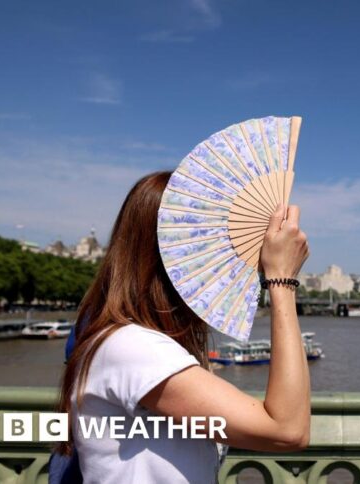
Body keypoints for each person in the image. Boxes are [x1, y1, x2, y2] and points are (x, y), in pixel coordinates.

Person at [54, 171, 311, 483]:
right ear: (175, 257)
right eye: (215, 244)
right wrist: (281, 280)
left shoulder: (141, 343)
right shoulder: (134, 347)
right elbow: (287, 429)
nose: (230, 259)